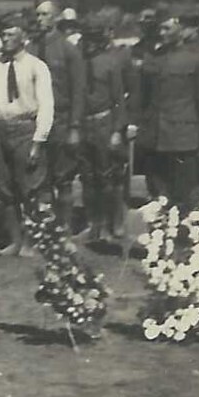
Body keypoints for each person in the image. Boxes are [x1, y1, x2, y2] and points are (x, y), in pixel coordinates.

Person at [0, 12, 54, 257]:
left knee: (29, 189)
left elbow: (46, 105)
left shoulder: (36, 67)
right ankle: (15, 241)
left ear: (24, 36)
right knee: (6, 190)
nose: (5, 38)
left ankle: (32, 243)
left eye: (11, 34)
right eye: (2, 34)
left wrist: (38, 141)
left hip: (25, 130)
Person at [133, 10, 199, 209]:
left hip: (183, 138)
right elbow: (142, 99)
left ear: (181, 29)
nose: (162, 33)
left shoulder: (197, 59)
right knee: (158, 194)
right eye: (159, 28)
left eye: (167, 28)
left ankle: (185, 237)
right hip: (154, 137)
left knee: (186, 193)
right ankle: (158, 238)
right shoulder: (151, 59)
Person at [29, 0, 87, 232]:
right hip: (37, 121)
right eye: (37, 15)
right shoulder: (31, 48)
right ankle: (44, 227)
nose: (39, 19)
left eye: (44, 15)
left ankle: (64, 226)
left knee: (63, 177)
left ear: (55, 18)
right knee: (39, 177)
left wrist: (74, 127)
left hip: (62, 121)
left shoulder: (68, 50)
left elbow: (78, 90)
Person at [76, 13, 131, 244]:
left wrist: (118, 130)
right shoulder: (79, 63)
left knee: (109, 177)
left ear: (100, 40)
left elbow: (119, 99)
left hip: (105, 123)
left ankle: (113, 224)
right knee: (87, 177)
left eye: (93, 39)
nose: (88, 44)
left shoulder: (111, 63)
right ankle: (93, 224)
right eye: (85, 39)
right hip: (84, 124)